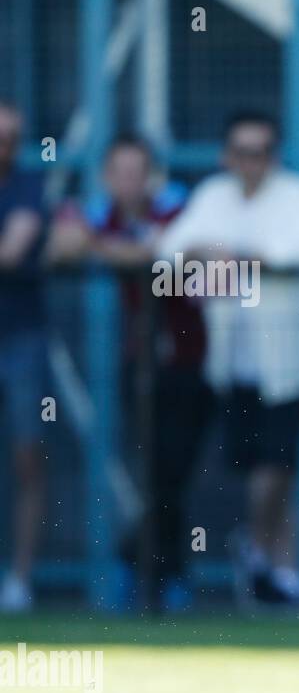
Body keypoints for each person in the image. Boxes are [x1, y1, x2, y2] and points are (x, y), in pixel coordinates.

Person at [156, 112, 299, 606]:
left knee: (276, 462)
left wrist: (224, 253)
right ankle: (285, 573)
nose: (251, 162)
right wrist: (215, 254)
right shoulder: (212, 196)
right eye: (242, 151)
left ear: (272, 156)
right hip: (233, 361)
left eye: (260, 152)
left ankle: (255, 547)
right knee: (271, 467)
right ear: (227, 155)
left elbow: (298, 251)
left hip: (292, 361)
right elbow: (169, 253)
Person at [49, 135, 210, 611]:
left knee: (171, 476)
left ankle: (138, 563)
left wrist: (103, 247)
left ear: (152, 176)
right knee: (156, 476)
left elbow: (157, 257)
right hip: (140, 366)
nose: (129, 181)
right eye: (119, 171)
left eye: (137, 171)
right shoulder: (101, 212)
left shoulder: (178, 206)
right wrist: (107, 244)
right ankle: (166, 578)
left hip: (196, 364)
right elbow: (63, 245)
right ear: (105, 177)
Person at [0, 101, 50, 613]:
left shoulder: (29, 187)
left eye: (10, 137)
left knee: (27, 458)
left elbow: (13, 252)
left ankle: (19, 580)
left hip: (20, 339)